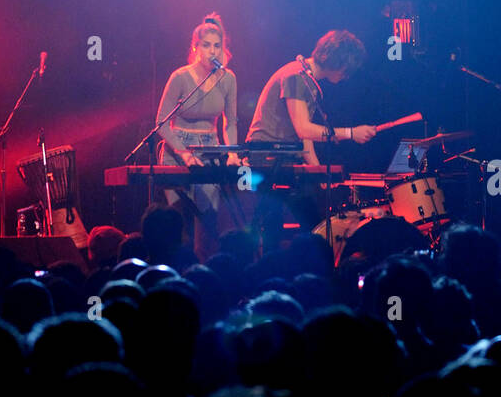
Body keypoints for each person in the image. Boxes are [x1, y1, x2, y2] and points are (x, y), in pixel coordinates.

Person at [246, 30, 376, 246]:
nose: (346, 76)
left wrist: (317, 173)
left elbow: (304, 139)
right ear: (338, 62)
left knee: (309, 220)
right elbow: (304, 129)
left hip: (285, 157)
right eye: (347, 69)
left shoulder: (307, 80)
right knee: (288, 222)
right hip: (268, 159)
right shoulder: (296, 77)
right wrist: (351, 133)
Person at [155, 13, 245, 262]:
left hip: (209, 150)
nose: (212, 51)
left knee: (208, 220)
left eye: (217, 45)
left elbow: (231, 122)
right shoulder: (180, 77)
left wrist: (233, 153)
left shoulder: (229, 79)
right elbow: (161, 122)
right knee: (177, 222)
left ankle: (204, 278)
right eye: (206, 45)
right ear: (195, 47)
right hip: (178, 150)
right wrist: (184, 154)